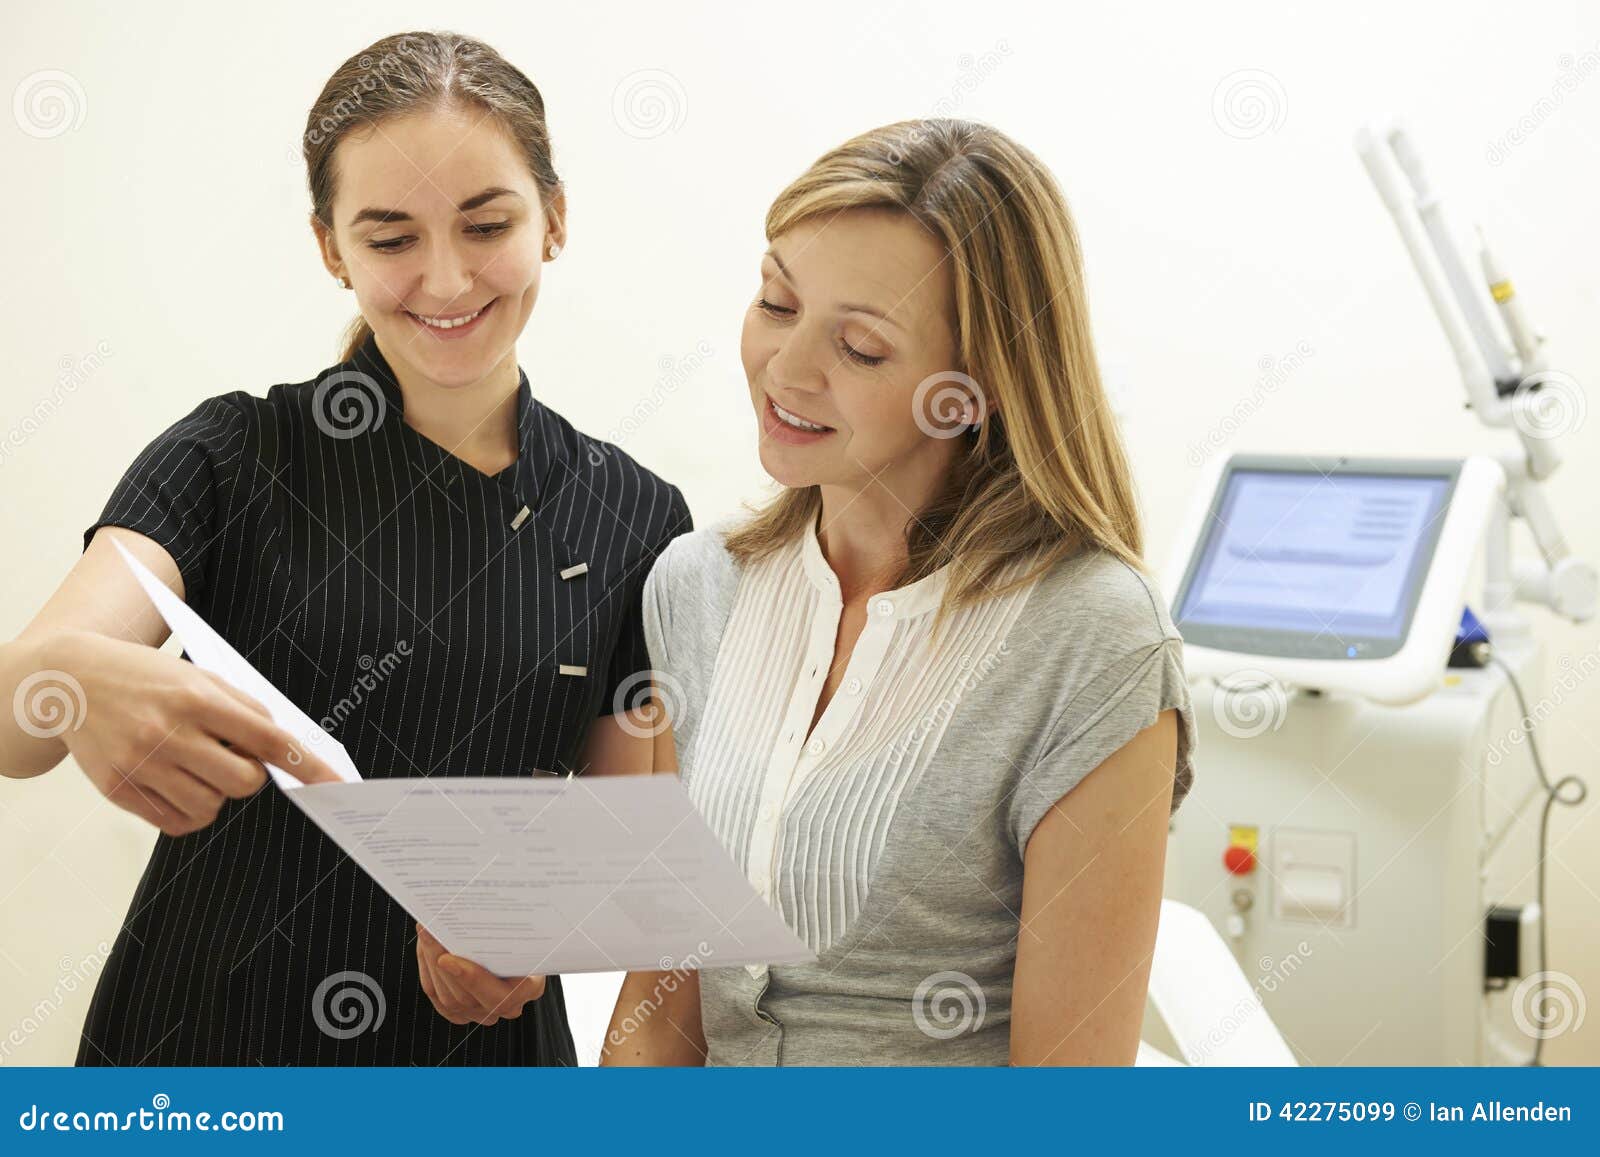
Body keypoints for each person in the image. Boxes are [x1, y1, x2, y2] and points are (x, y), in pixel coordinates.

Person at [0, 30, 688, 1065]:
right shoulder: (231, 455)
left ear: (553, 217)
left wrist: (523, 929)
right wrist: (75, 675)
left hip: (481, 1064)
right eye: (390, 236)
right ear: (331, 248)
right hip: (207, 1050)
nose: (445, 278)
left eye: (486, 222)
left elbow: (624, 853)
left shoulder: (637, 514)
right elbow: (20, 724)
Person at [593, 118, 1198, 1065]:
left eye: (862, 349)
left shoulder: (1093, 638)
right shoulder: (696, 587)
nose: (787, 370)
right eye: (776, 302)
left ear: (974, 388)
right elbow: (664, 1004)